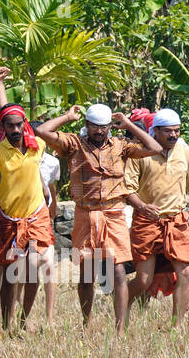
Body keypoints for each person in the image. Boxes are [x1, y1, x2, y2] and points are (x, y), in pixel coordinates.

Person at [36, 103, 161, 334]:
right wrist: (66, 116)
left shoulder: (122, 146)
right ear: (87, 125)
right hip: (86, 214)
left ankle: (120, 328)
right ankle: (86, 322)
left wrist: (130, 125)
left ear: (109, 127)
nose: (99, 131)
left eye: (103, 127)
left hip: (113, 214)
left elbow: (154, 147)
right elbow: (41, 132)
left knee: (118, 271)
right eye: (94, 126)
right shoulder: (74, 145)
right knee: (86, 274)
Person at [124, 109, 189, 326]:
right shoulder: (139, 153)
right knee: (143, 280)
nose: (173, 135)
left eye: (177, 131)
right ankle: (122, 304)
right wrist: (141, 206)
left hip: (176, 221)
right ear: (155, 131)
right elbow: (127, 189)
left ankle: (177, 327)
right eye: (168, 131)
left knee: (185, 273)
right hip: (147, 222)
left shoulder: (184, 152)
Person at [0, 97, 58, 331]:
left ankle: (25, 320)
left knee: (34, 267)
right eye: (9, 125)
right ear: (3, 127)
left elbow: (45, 136)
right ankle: (7, 324)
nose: (14, 130)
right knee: (10, 272)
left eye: (18, 125)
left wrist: (67, 117)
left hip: (35, 218)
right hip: (9, 221)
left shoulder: (38, 145)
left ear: (24, 124)